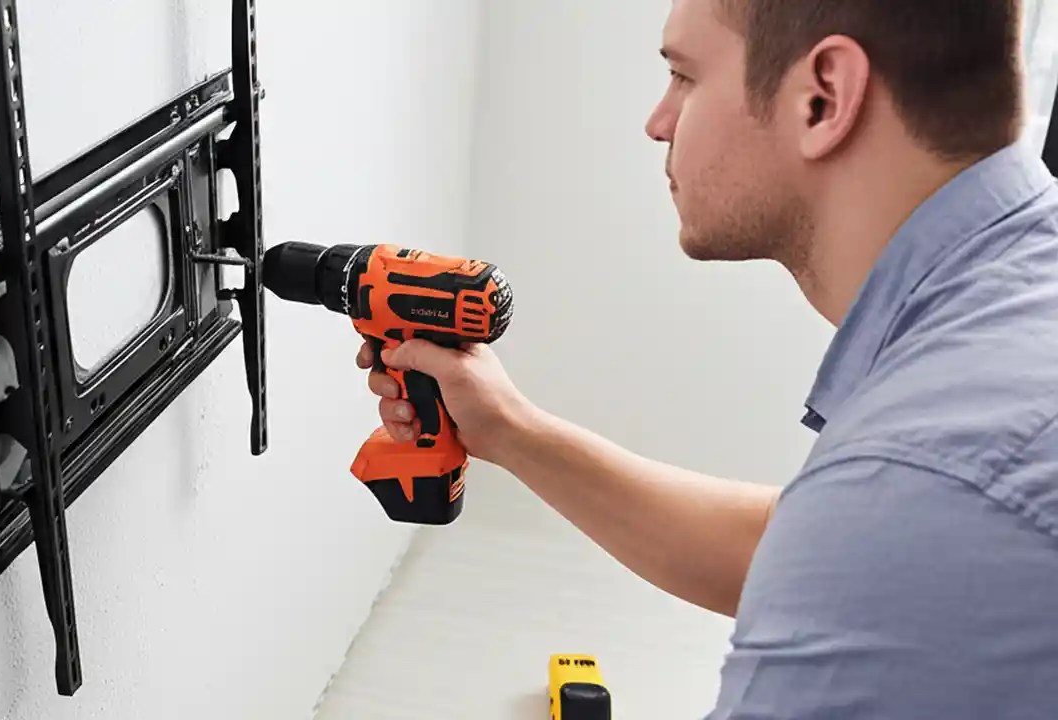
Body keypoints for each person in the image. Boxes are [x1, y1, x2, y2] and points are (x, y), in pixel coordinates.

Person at [358, 0, 1058, 717]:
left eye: (685, 76)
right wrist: (508, 429)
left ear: (823, 98)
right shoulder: (1014, 302)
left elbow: (885, 537)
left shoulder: (932, 490)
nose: (658, 121)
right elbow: (808, 550)